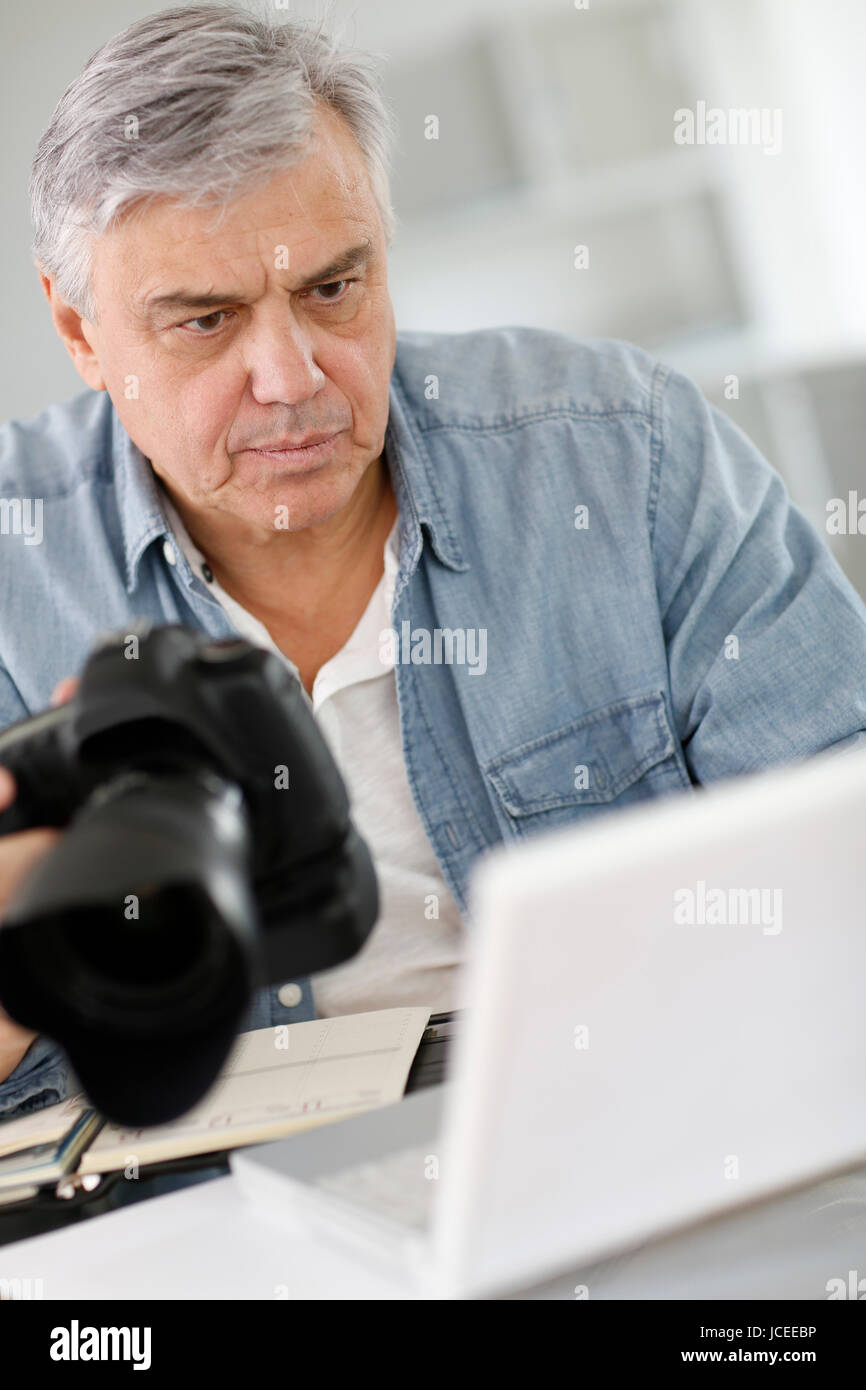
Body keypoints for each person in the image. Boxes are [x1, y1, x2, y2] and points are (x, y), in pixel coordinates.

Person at [2, 3, 866, 1125]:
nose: (291, 378)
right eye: (205, 321)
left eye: (331, 288)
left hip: (644, 1118)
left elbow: (839, 856)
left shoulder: (626, 454)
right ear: (78, 331)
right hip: (192, 1212)